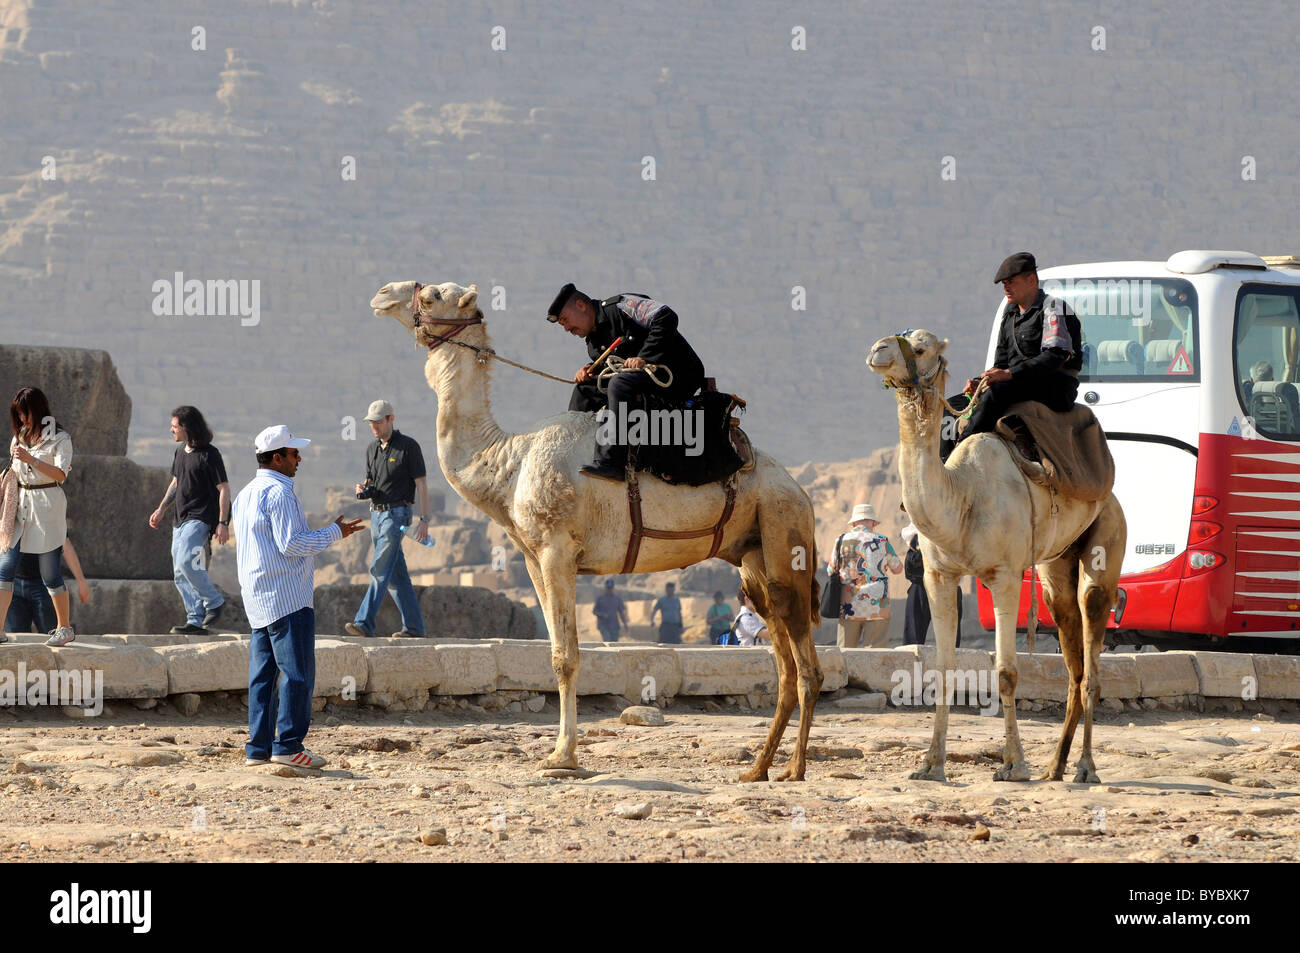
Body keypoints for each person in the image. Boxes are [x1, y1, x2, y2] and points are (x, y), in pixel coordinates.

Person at [232, 425, 364, 769]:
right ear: (277, 458)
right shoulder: (280, 494)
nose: (299, 459)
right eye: (293, 454)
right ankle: (289, 746)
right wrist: (334, 532)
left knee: (262, 677)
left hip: (258, 597)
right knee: (297, 674)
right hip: (288, 597)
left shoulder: (244, 494)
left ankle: (258, 750)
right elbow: (292, 544)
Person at [548, 283, 706, 481]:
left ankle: (611, 463)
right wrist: (590, 370)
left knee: (619, 384)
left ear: (580, 305)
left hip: (678, 374)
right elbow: (614, 362)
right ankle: (571, 453)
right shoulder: (593, 342)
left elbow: (666, 316)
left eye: (565, 320)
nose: (566, 328)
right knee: (584, 389)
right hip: (637, 379)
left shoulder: (623, 306)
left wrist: (645, 357)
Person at [958, 252, 1083, 442]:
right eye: (1004, 284)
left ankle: (963, 449)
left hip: (1054, 386)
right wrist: (980, 381)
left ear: (1031, 280)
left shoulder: (1053, 308)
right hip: (1019, 384)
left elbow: (1055, 356)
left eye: (1011, 281)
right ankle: (944, 464)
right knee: (955, 404)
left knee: (995, 395)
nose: (1006, 287)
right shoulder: (1010, 315)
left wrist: (1009, 375)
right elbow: (1000, 363)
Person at [344, 400, 430, 638]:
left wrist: (424, 518)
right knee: (396, 576)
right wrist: (363, 489)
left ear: (391, 419)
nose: (374, 427)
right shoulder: (371, 449)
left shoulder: (408, 447)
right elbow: (371, 481)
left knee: (379, 567)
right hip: (376, 515)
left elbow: (421, 483)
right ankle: (414, 628)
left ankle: (364, 622)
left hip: (398, 515)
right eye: (371, 423)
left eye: (379, 422)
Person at [0, 387, 77, 646]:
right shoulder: (19, 437)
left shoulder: (60, 437)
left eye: (26, 413)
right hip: (20, 506)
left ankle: (64, 627)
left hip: (47, 506)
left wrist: (32, 459)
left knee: (50, 573)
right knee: (5, 568)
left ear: (38, 409)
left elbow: (61, 474)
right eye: (18, 415)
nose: (23, 419)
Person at [148, 406, 229, 635]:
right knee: (179, 571)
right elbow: (176, 483)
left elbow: (224, 489)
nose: (171, 430)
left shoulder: (210, 454)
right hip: (179, 518)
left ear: (186, 427)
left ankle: (214, 601)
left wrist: (222, 523)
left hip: (201, 517)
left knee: (186, 561)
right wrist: (161, 508)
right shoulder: (180, 453)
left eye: (174, 426)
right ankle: (195, 619)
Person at [828, 503, 903, 648]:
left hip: (849, 605)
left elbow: (831, 571)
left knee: (845, 653)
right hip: (878, 606)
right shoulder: (882, 541)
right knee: (875, 654)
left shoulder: (841, 540)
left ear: (854, 523)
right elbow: (898, 569)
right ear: (873, 523)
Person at [3, 539, 90, 636]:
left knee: (51, 633)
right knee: (16, 637)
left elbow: (65, 545)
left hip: (44, 586)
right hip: (12, 584)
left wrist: (81, 581)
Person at [901, 525, 963, 647]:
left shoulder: (952, 536)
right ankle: (913, 665)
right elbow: (910, 571)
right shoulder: (916, 541)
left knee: (951, 636)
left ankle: (949, 662)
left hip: (947, 586)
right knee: (914, 637)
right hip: (921, 587)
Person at [592, 579, 628, 643]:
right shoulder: (600, 599)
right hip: (603, 625)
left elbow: (621, 613)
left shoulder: (617, 599)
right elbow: (594, 611)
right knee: (607, 641)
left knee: (614, 644)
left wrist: (625, 624)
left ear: (613, 588)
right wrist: (602, 615)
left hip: (615, 626)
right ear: (605, 588)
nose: (609, 590)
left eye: (610, 588)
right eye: (608, 588)